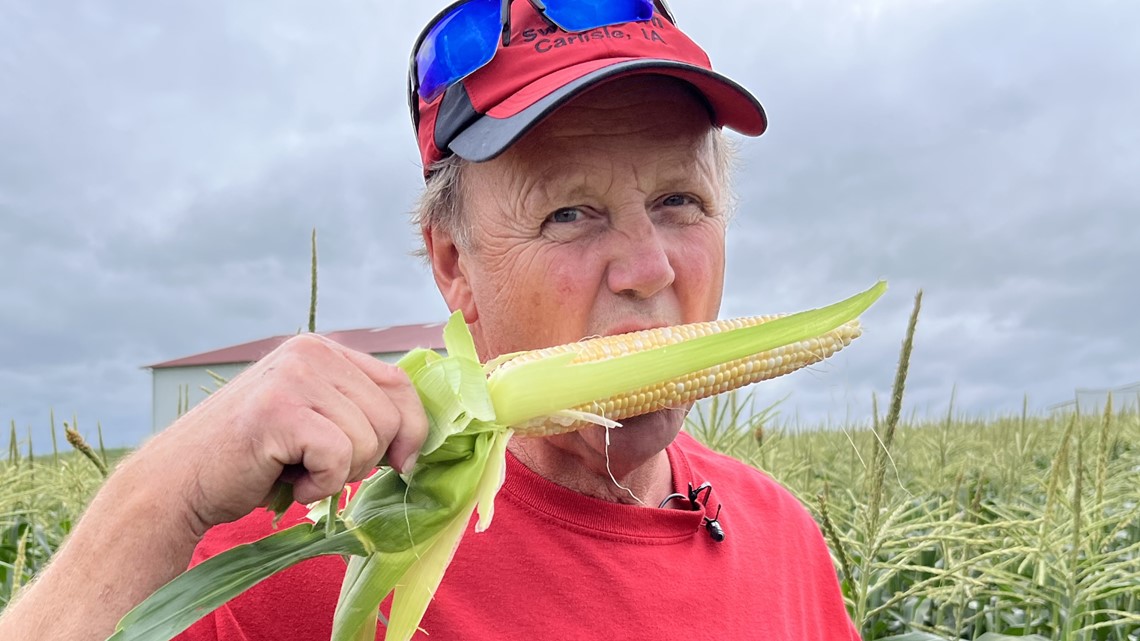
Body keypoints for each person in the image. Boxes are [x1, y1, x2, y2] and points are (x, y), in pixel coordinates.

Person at [0, 2, 861, 639]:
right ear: (454, 264)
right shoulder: (315, 545)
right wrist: (167, 491)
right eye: (569, 213)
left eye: (680, 201)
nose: (649, 268)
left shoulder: (784, 539)